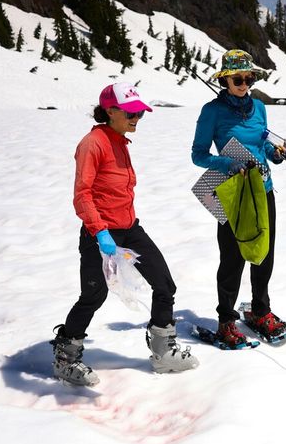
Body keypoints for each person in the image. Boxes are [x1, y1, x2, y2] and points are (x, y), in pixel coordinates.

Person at [51, 82, 197, 384]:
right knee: (94, 295)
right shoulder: (93, 144)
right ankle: (66, 356)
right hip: (100, 232)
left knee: (164, 284)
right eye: (131, 112)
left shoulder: (119, 141)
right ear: (110, 111)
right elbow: (82, 194)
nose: (137, 118)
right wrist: (100, 233)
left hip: (130, 229)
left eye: (140, 113)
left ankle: (163, 350)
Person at [191, 49, 286, 347]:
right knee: (233, 257)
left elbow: (263, 144)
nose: (245, 84)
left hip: (263, 190)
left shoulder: (259, 108)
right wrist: (228, 163)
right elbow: (198, 155)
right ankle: (226, 321)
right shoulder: (212, 111)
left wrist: (275, 154)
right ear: (225, 79)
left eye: (249, 78)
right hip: (233, 192)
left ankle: (261, 312)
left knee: (264, 253)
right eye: (238, 79)